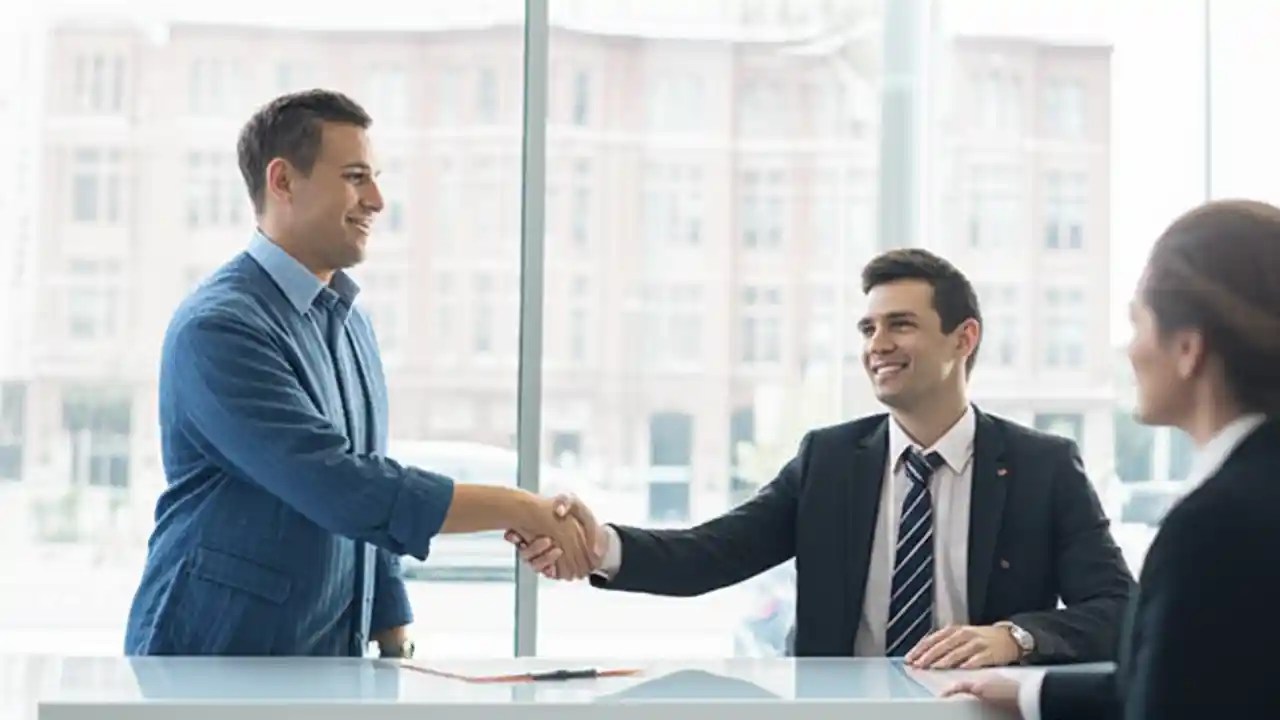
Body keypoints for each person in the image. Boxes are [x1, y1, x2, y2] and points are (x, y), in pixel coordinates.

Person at [123, 90, 594, 658]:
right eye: (354, 177)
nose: (376, 199)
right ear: (283, 181)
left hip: (323, 661)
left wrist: (391, 629)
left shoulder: (350, 322)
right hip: (211, 661)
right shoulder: (219, 329)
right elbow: (342, 487)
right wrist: (519, 507)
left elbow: (371, 488)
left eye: (374, 178)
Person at [512, 248, 1135, 668]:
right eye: (867, 330)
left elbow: (1117, 609)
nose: (878, 346)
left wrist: (1014, 638)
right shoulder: (830, 460)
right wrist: (601, 547)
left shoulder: (1042, 468)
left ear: (963, 337)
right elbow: (713, 553)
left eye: (900, 326)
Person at [947, 199, 1280, 718]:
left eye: (1138, 324)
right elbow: (1202, 683)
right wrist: (1032, 694)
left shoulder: (1214, 527)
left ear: (1188, 348)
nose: (1129, 350)